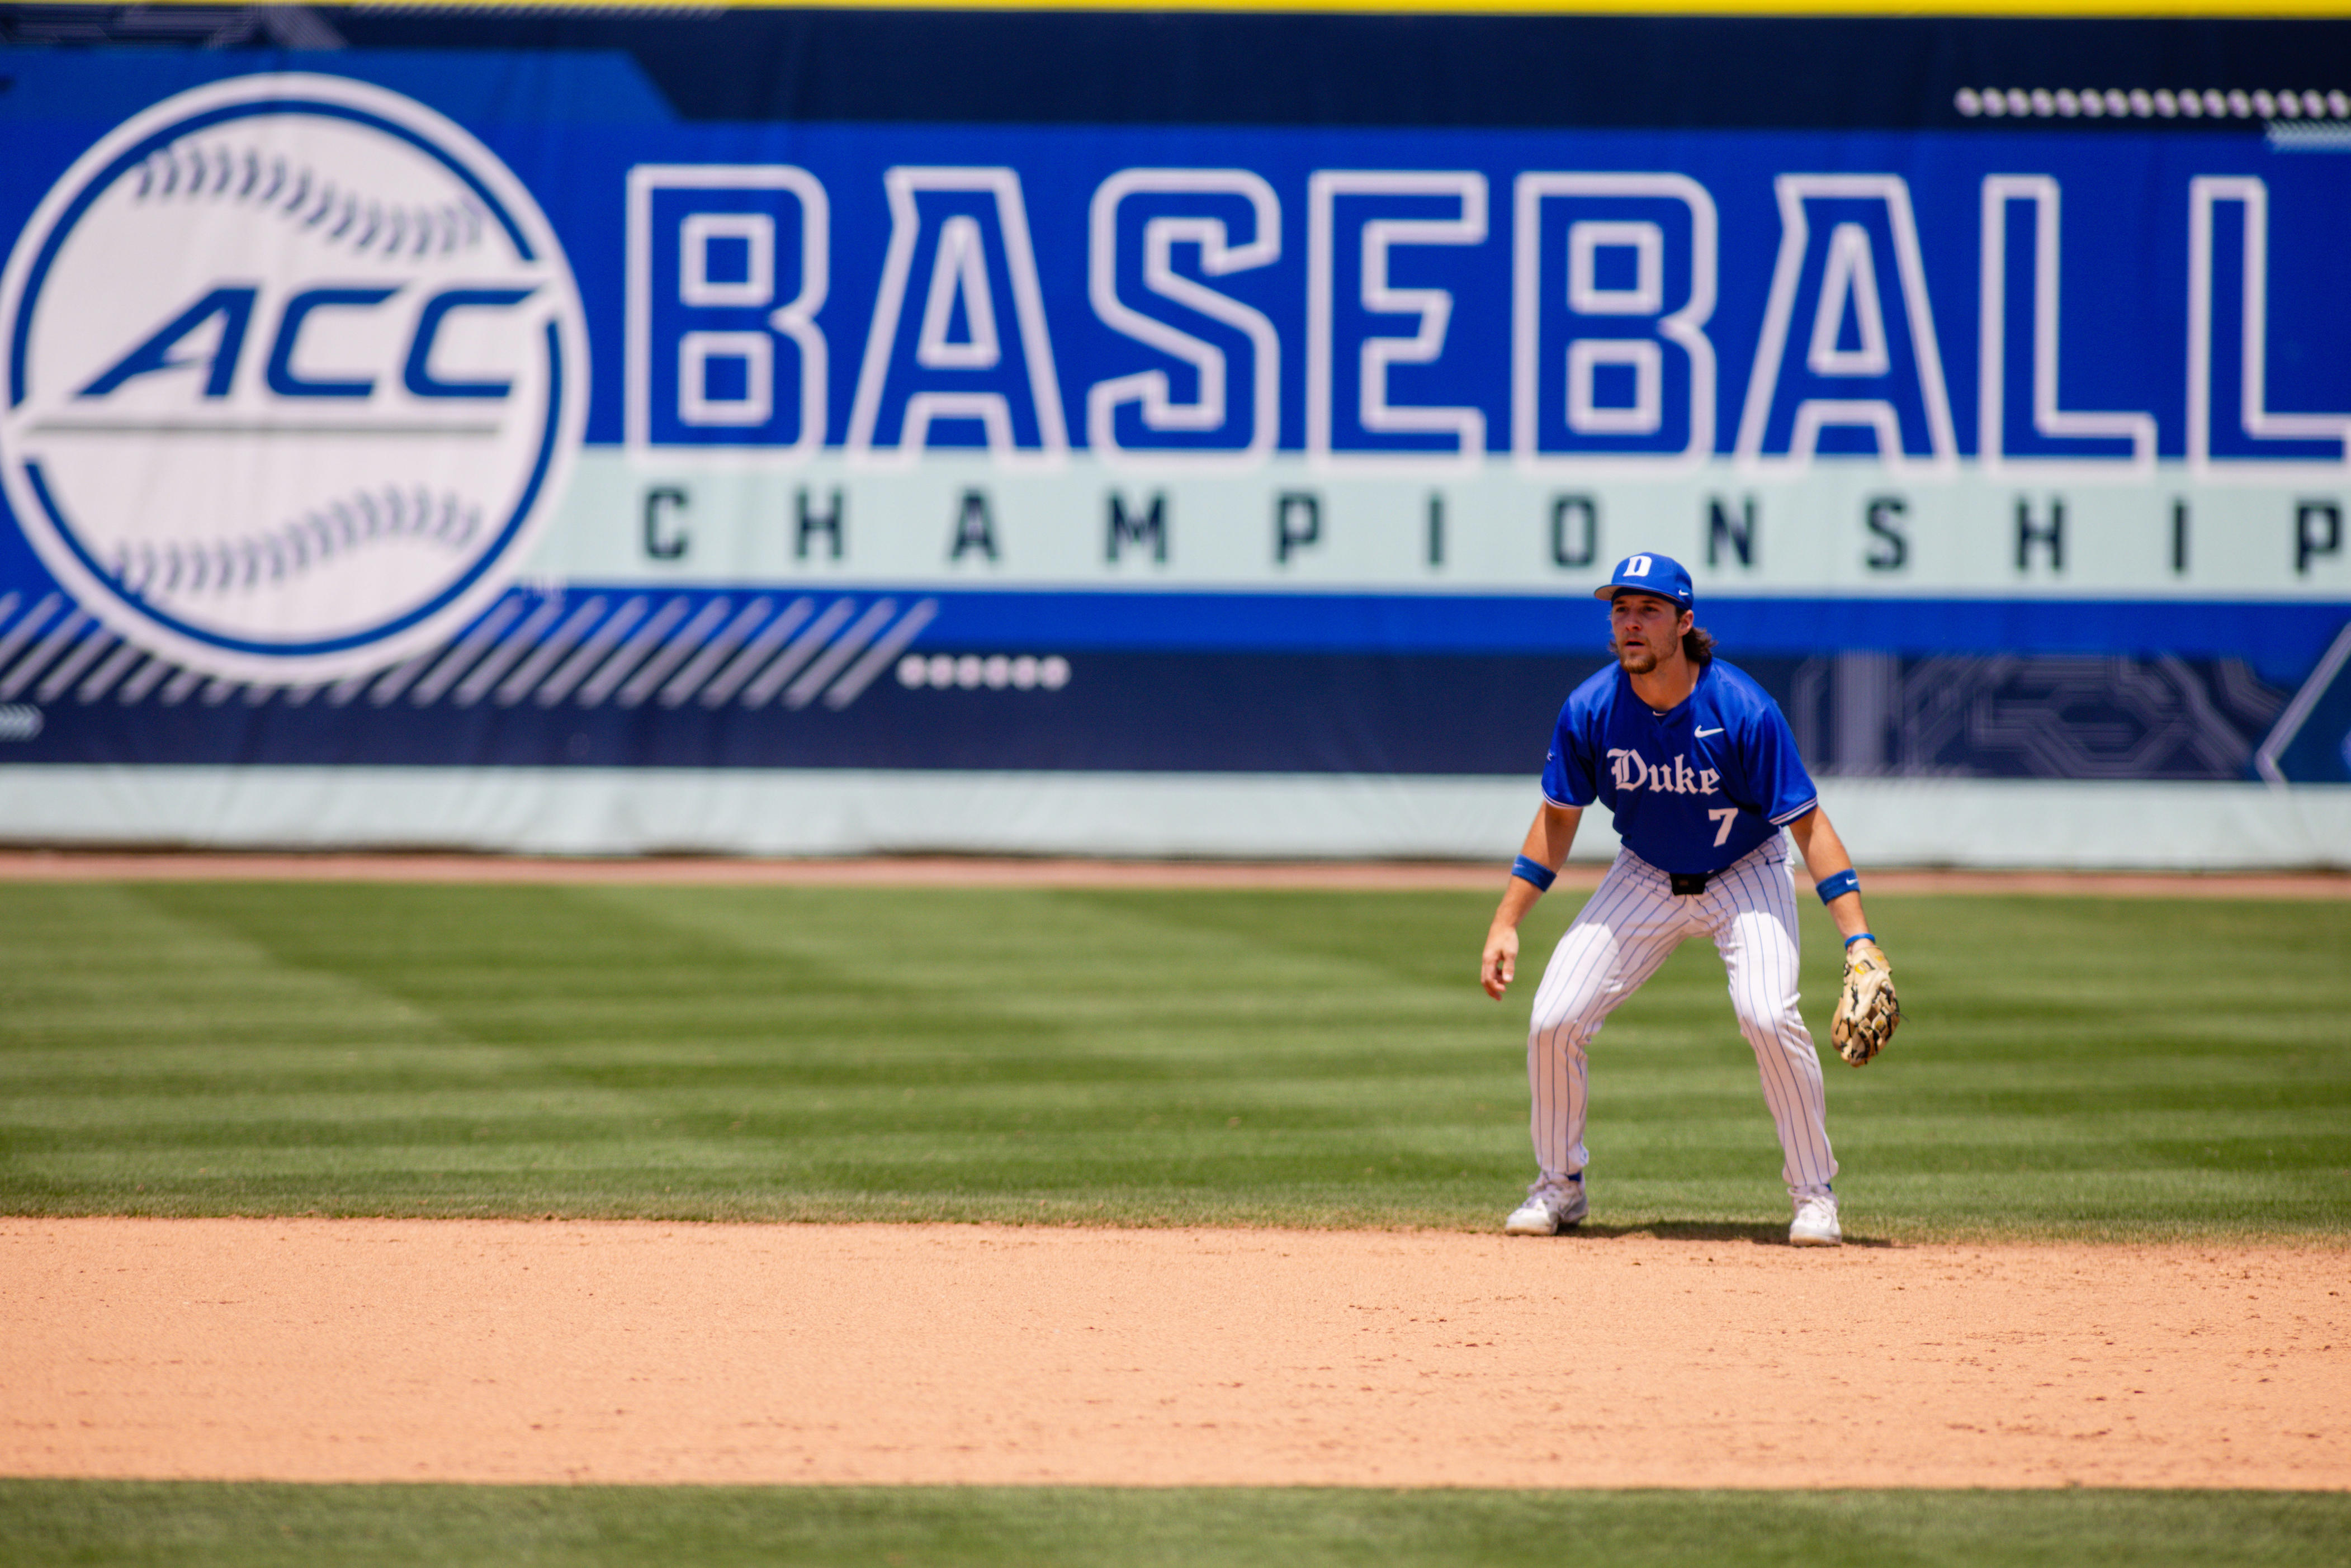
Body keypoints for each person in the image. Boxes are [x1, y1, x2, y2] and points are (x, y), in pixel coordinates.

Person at [1478, 551, 1882, 1247]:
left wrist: (1858, 939)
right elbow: (1555, 821)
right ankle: (1558, 1186)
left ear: (1683, 623)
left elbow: (1809, 827)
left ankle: (1813, 1195)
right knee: (1552, 1019)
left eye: (1648, 611)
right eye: (1620, 610)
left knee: (1765, 1015)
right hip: (1644, 873)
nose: (1630, 624)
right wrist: (1505, 921)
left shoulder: (1741, 709)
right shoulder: (1591, 709)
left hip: (1745, 873)